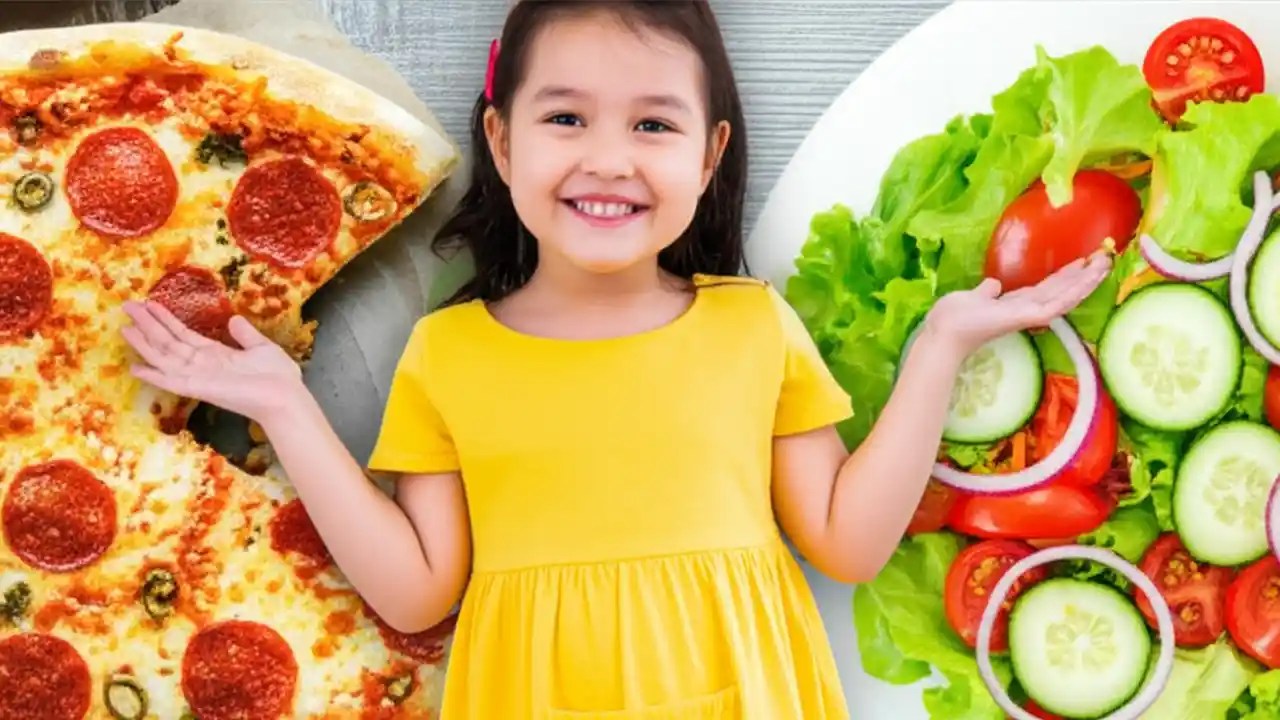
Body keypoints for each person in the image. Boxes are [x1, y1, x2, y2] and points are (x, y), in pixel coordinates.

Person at [119, 1, 1111, 717]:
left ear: (708, 155)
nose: (608, 157)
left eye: (652, 124)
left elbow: (848, 545)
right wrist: (285, 407)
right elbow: (419, 590)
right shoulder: (446, 350)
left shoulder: (751, 325)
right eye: (565, 118)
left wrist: (939, 345)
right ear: (502, 145)